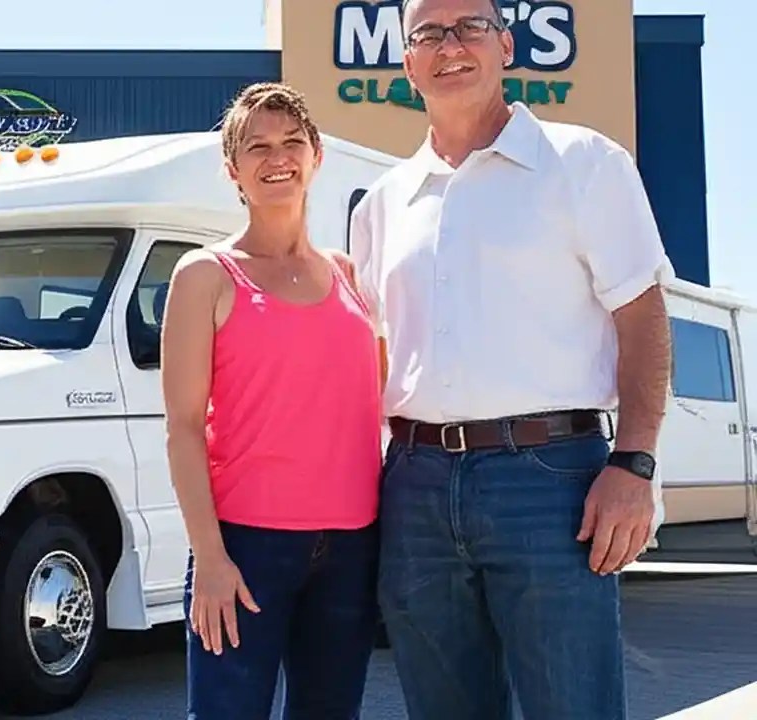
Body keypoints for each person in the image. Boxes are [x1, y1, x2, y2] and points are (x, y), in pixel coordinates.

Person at [348, 1, 675, 719]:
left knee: (572, 707)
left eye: (469, 28)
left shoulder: (584, 162)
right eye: (428, 34)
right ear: (407, 64)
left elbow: (644, 317)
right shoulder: (381, 203)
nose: (450, 46)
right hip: (414, 484)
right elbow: (373, 357)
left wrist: (635, 463)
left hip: (552, 481)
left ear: (504, 46)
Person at [160, 82, 384, 719]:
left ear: (316, 155)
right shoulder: (205, 275)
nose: (276, 157)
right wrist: (209, 557)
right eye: (256, 147)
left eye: (291, 142)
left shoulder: (348, 275)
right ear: (233, 171)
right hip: (246, 549)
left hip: (351, 549)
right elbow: (181, 429)